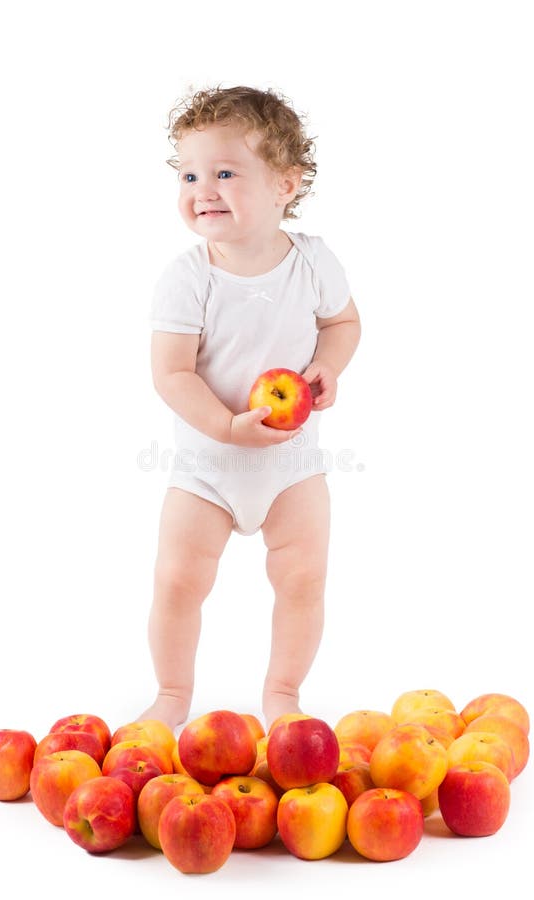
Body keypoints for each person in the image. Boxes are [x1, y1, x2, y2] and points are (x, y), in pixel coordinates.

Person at [140, 85, 361, 730]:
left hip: (292, 465)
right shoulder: (189, 277)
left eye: (225, 172)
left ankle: (283, 692)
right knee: (178, 580)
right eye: (190, 174)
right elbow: (171, 372)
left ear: (285, 185)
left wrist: (328, 365)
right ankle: (173, 693)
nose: (202, 188)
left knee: (303, 581)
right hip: (206, 468)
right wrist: (227, 428)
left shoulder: (313, 262)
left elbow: (343, 323)